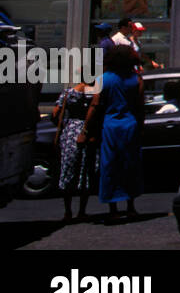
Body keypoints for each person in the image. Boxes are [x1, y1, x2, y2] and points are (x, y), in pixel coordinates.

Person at [84, 45, 144, 223]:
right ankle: (131, 206)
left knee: (110, 166)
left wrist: (86, 129)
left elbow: (95, 105)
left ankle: (113, 208)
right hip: (131, 125)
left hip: (110, 126)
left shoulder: (104, 79)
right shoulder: (136, 79)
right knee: (130, 165)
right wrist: (141, 127)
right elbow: (140, 108)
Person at [53, 79, 99, 222]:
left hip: (69, 131)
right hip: (86, 131)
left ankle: (67, 212)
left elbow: (55, 114)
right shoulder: (93, 93)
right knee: (84, 170)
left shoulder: (68, 93)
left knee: (68, 170)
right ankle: (82, 211)